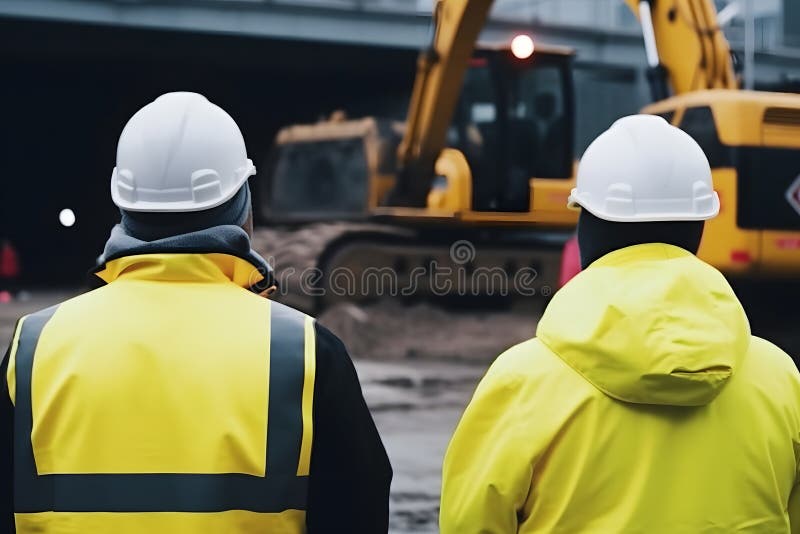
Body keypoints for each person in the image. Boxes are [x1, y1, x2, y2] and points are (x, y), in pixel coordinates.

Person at [0, 92, 391, 533]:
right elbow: (359, 512)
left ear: (122, 203)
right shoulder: (304, 353)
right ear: (242, 203)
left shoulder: (34, 348)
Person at [440, 115, 800, 533]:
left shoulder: (521, 383)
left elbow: (469, 523)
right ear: (700, 225)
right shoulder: (782, 380)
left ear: (588, 225)